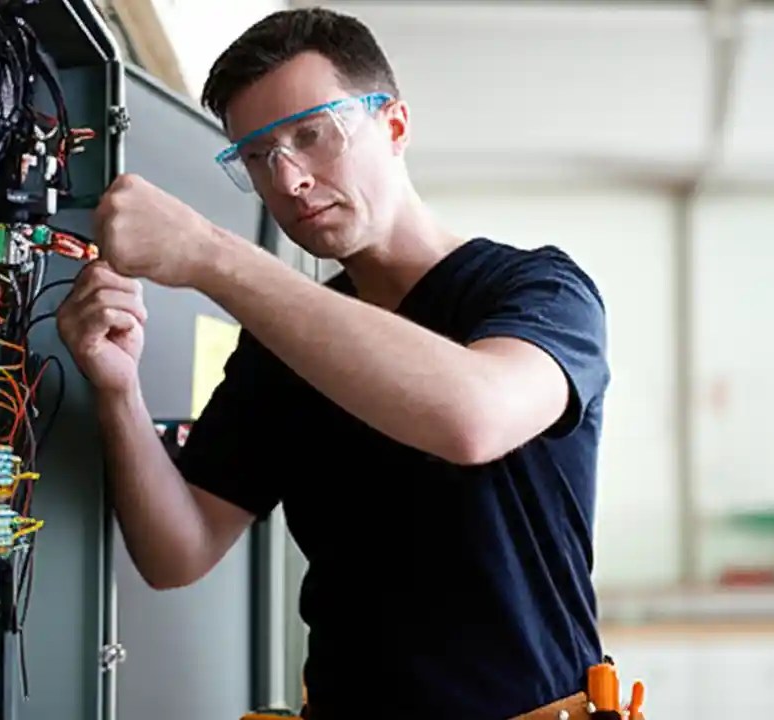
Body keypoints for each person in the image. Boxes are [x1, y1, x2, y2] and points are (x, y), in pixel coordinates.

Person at [56, 7, 610, 719]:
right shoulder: (279, 342)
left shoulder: (539, 291)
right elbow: (176, 553)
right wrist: (117, 389)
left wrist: (210, 255)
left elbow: (471, 419)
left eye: (312, 134)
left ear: (395, 126)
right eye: (258, 156)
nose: (287, 179)